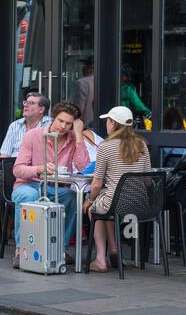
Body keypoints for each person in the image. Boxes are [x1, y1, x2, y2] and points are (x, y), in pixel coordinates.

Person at [11, 101, 91, 268]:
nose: (63, 126)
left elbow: (83, 167)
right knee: (29, 196)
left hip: (56, 187)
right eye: (60, 121)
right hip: (29, 184)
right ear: (53, 119)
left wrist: (78, 136)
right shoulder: (33, 136)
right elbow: (18, 170)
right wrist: (40, 169)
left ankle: (59, 249)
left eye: (68, 123)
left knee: (72, 197)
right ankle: (22, 250)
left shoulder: (72, 138)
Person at [86, 106, 152, 272]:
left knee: (95, 208)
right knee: (105, 202)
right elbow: (148, 180)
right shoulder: (142, 145)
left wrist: (89, 200)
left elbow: (96, 184)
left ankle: (101, 258)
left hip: (115, 205)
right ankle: (114, 249)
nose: (106, 124)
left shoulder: (106, 147)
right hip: (140, 206)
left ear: (113, 123)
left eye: (108, 121)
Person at [1, 91, 51, 158]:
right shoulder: (15, 125)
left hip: (39, 165)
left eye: (31, 103)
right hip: (13, 164)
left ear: (41, 109)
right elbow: (5, 154)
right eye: (25, 102)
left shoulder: (50, 125)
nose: (25, 105)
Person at [74, 61, 95, 127]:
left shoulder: (82, 82)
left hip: (85, 121)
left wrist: (76, 119)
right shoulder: (98, 80)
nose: (82, 70)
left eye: (84, 68)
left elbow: (80, 104)